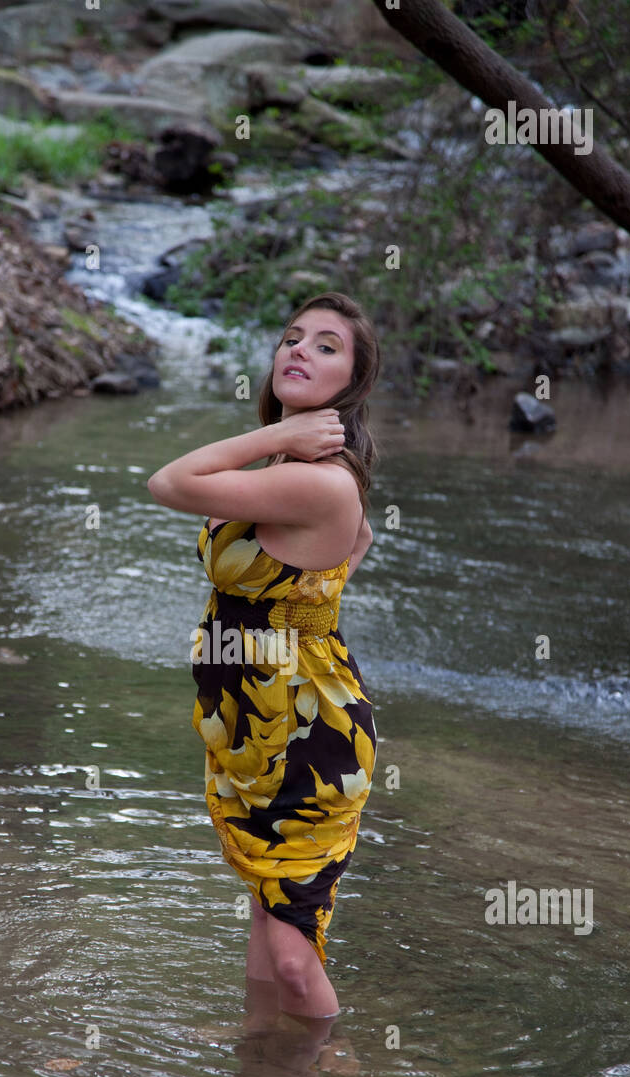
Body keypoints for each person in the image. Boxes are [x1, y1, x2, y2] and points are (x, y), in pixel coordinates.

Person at [147, 292, 380, 1018]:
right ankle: (263, 1074)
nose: (300, 349)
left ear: (351, 386)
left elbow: (168, 483)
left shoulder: (313, 477)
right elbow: (359, 543)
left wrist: (280, 436)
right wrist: (307, 604)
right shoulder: (290, 466)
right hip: (254, 724)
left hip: (311, 736)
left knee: (292, 953)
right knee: (266, 920)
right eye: (291, 337)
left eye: (326, 345)